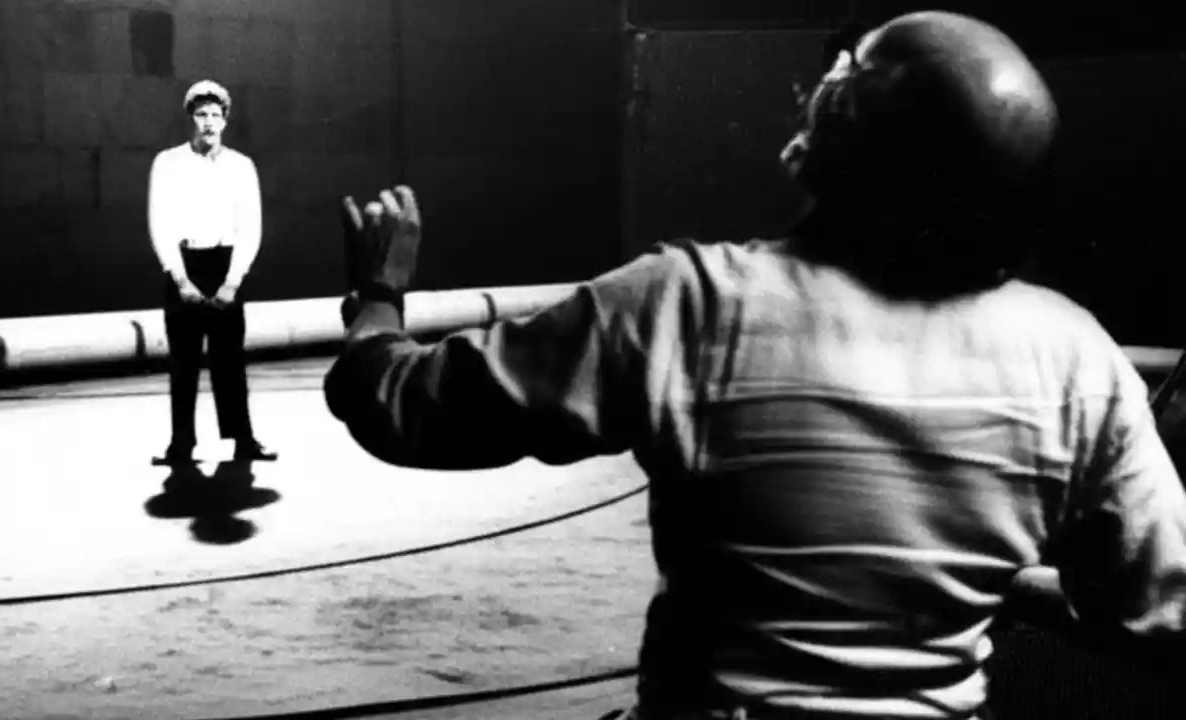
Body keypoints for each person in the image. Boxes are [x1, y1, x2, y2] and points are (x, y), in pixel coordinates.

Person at [326, 11, 1186, 720]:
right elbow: (1160, 612)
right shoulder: (1075, 356)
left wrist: (378, 294)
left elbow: (403, 409)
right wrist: (976, 576)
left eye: (844, 73)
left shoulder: (688, 305)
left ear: (837, 129)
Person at [148, 79, 276, 466]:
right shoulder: (167, 163)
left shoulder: (241, 166)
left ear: (225, 120)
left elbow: (250, 227)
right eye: (202, 114)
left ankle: (244, 440)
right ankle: (180, 445)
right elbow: (160, 222)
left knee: (230, 362)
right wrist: (180, 278)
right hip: (186, 267)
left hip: (225, 265)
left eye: (215, 115)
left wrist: (233, 282)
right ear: (191, 118)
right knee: (183, 363)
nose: (208, 122)